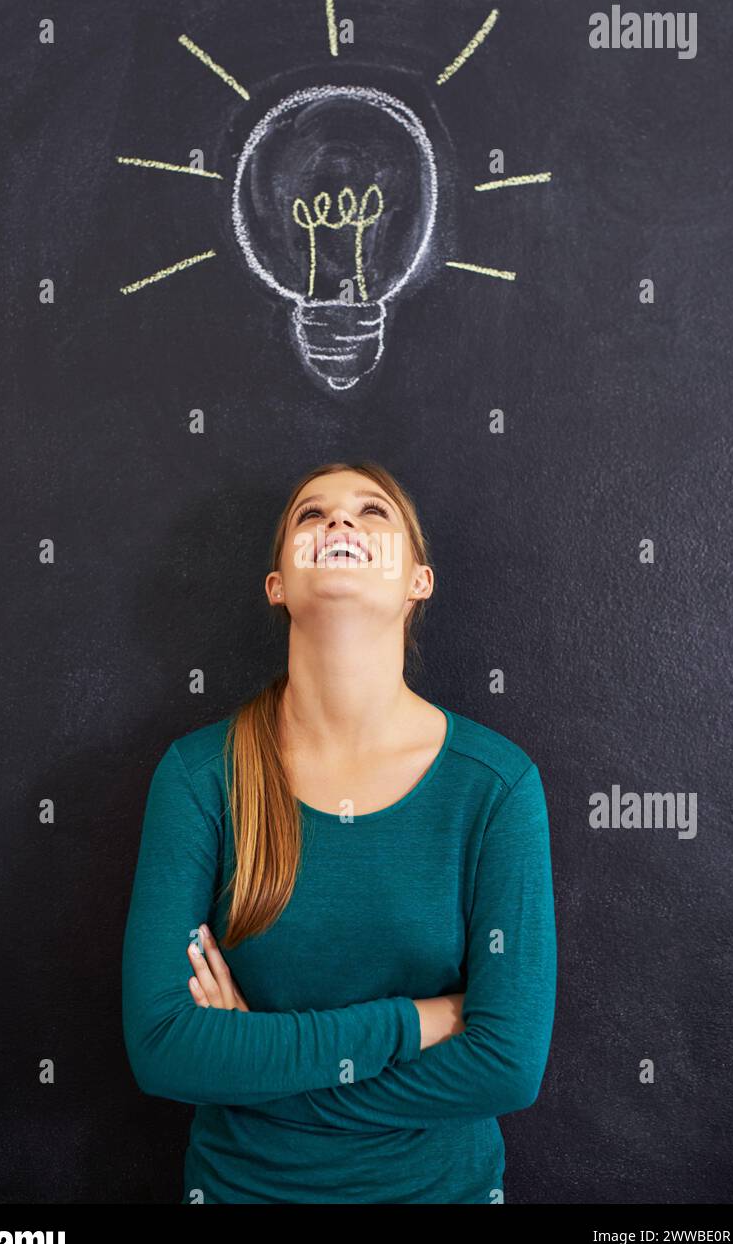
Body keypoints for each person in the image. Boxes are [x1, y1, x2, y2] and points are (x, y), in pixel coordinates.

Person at [121, 460, 557, 1203]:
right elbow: (164, 1049)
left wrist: (255, 1070)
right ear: (277, 586)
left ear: (418, 580)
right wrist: (416, 1023)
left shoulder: (496, 786)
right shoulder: (199, 779)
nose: (338, 523)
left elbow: (507, 1066)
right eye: (310, 515)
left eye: (371, 512)